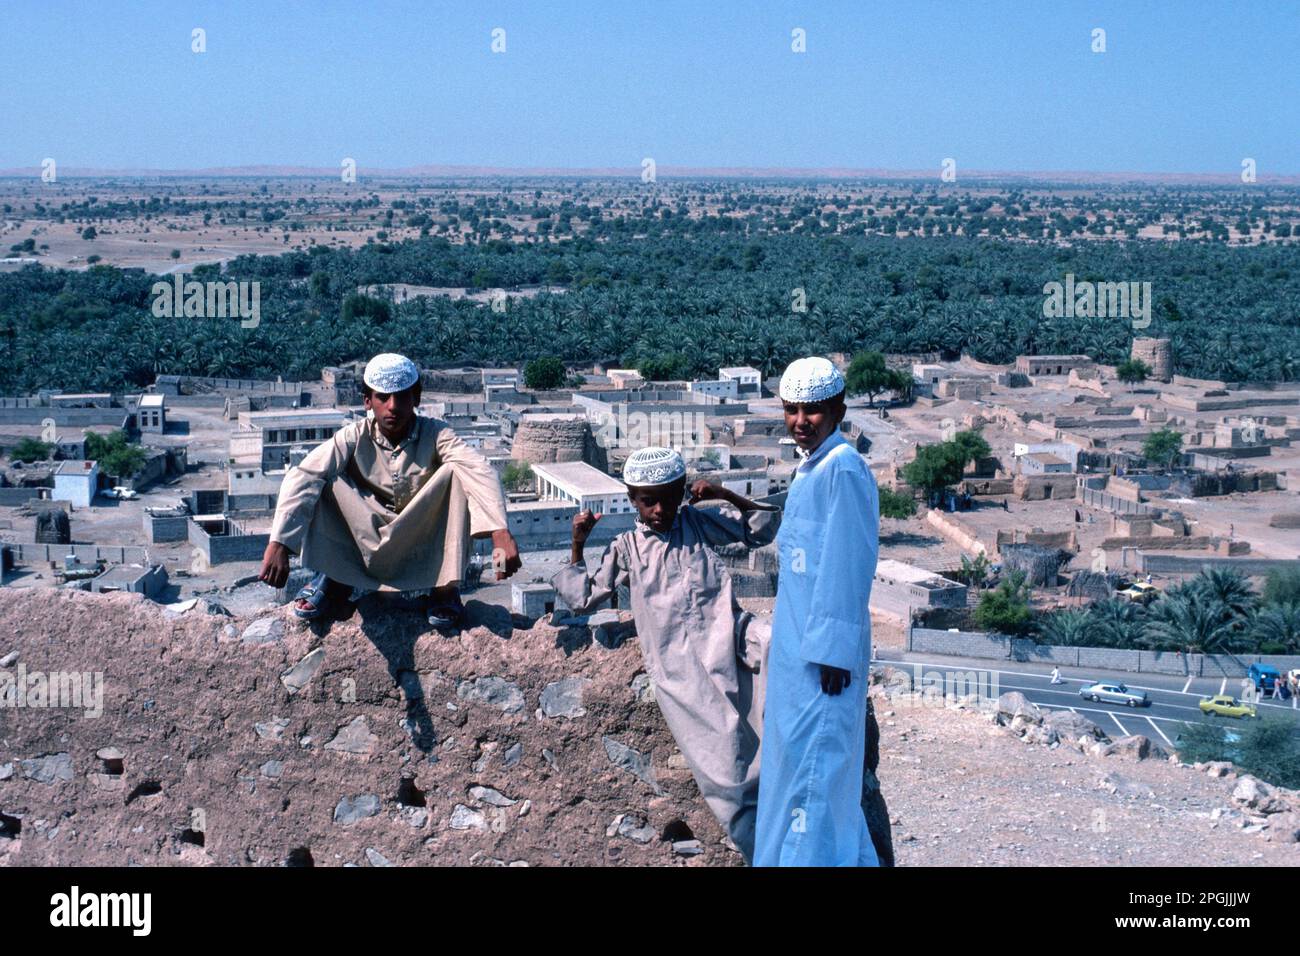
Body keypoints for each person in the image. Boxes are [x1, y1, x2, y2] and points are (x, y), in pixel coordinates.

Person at [552, 446, 780, 863]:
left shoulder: (697, 522)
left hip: (732, 643)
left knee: (783, 715)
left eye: (668, 497)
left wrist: (724, 494)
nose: (659, 509)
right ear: (631, 499)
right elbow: (582, 598)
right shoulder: (626, 548)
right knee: (727, 771)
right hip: (681, 672)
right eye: (647, 500)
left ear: (681, 493)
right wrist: (577, 545)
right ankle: (767, 855)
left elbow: (762, 529)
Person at [257, 353, 522, 628]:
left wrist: (499, 533)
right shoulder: (352, 436)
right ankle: (334, 581)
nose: (393, 407)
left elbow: (480, 469)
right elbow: (303, 475)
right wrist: (279, 544)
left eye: (402, 397)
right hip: (364, 536)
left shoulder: (437, 434)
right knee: (323, 475)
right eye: (383, 397)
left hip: (418, 536)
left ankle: (445, 590)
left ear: (416, 399)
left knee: (458, 474)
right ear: (367, 401)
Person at [755, 356, 880, 867]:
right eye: (792, 410)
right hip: (797, 660)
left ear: (838, 410)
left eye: (813, 411)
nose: (801, 420)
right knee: (798, 777)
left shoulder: (843, 469)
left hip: (824, 667)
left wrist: (833, 653)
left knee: (814, 778)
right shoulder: (811, 468)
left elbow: (847, 565)